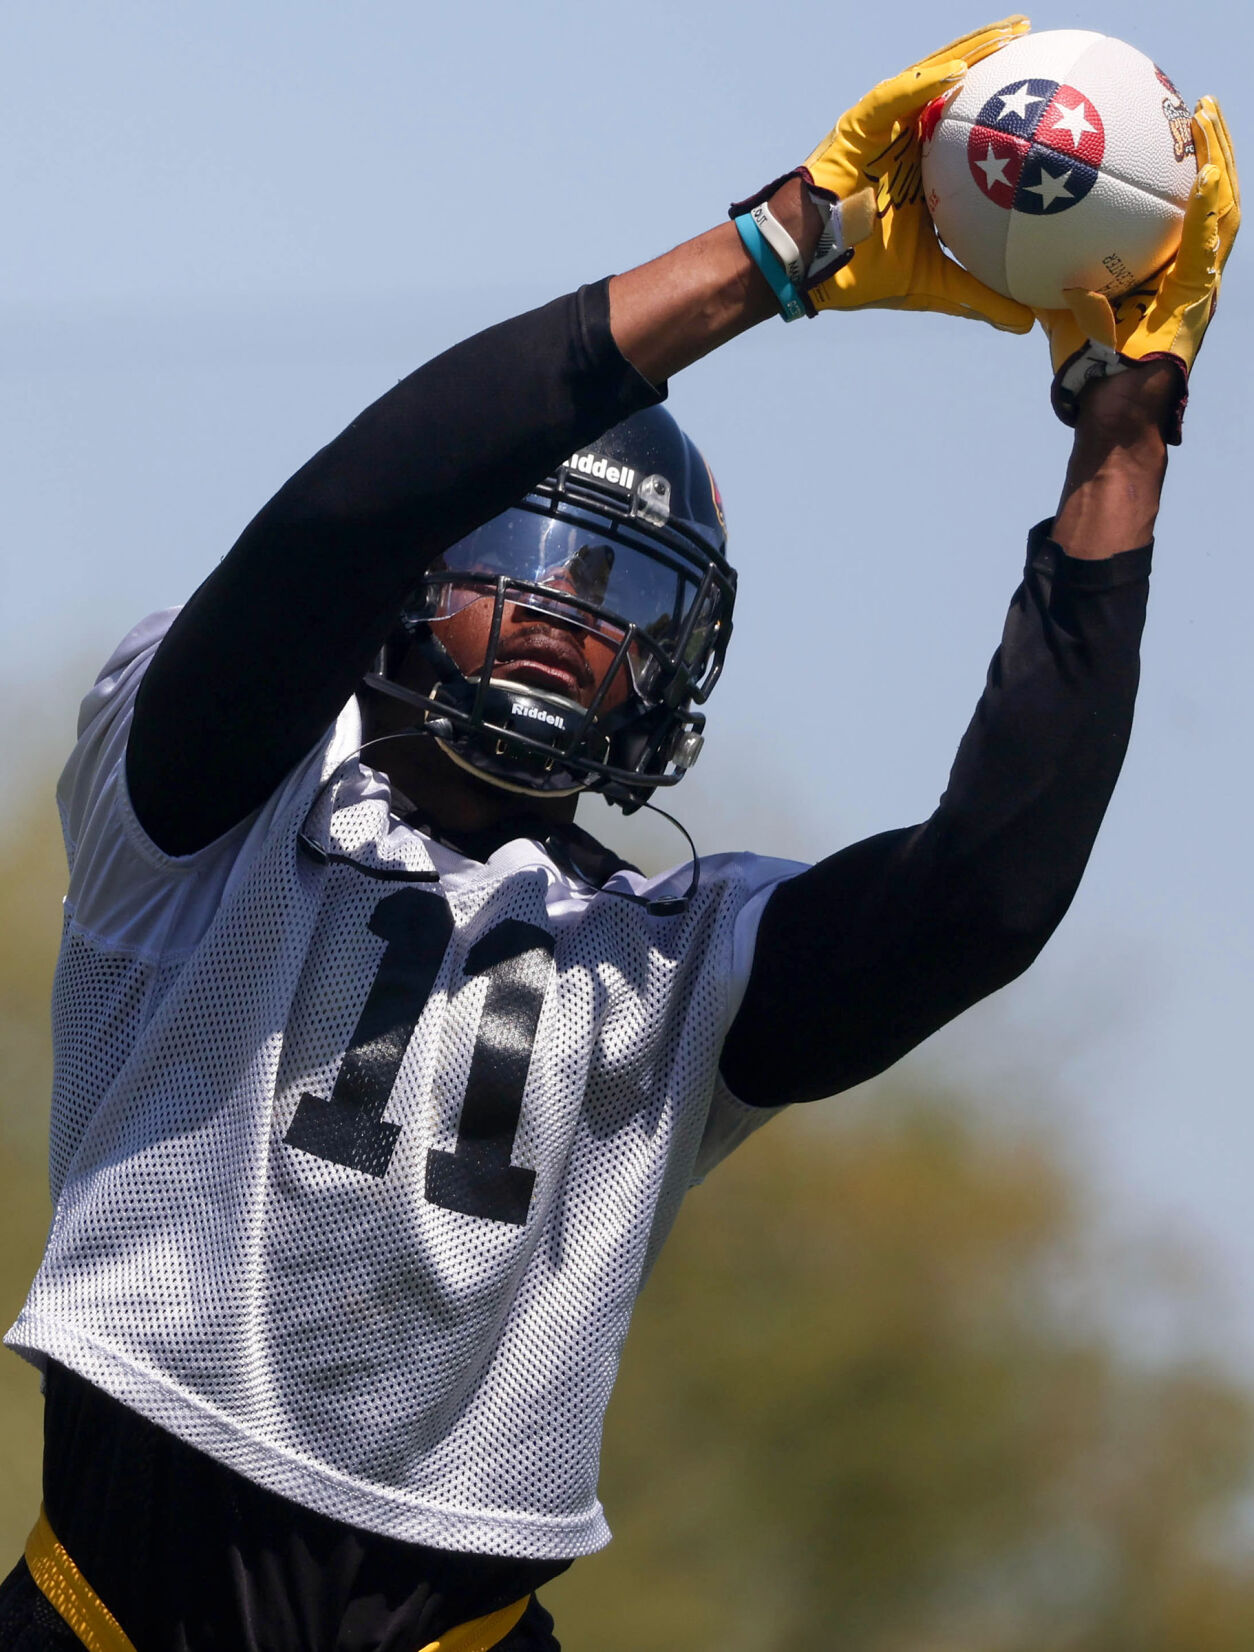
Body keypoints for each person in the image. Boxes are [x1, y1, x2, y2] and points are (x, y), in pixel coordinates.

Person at [0, 17, 1239, 1652]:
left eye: (617, 598)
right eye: (528, 560)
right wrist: (770, 254)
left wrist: (1121, 439)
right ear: (415, 580)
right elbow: (340, 515)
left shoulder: (678, 966)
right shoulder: (210, 805)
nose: (562, 622)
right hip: (113, 1607)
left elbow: (987, 890)